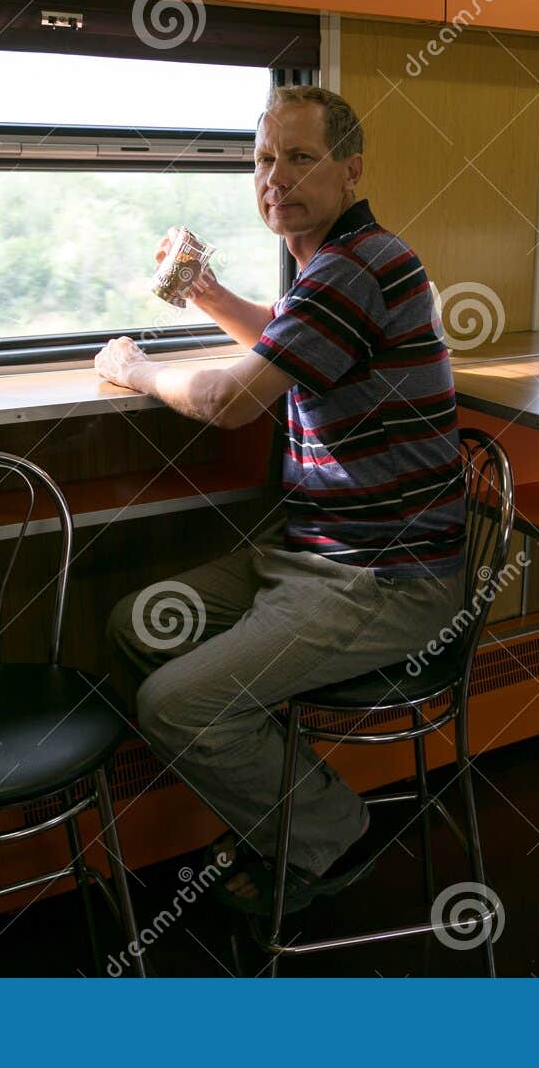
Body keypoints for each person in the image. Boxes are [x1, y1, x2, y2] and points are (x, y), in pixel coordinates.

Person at [95, 85, 464, 915]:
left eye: (300, 158)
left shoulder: (357, 267)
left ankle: (332, 832)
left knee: (173, 703)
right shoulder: (332, 270)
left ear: (352, 169)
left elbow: (232, 399)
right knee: (137, 622)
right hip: (313, 557)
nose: (275, 178)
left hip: (387, 577)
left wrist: (134, 369)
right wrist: (207, 294)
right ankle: (291, 811)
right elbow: (288, 336)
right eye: (264, 159)